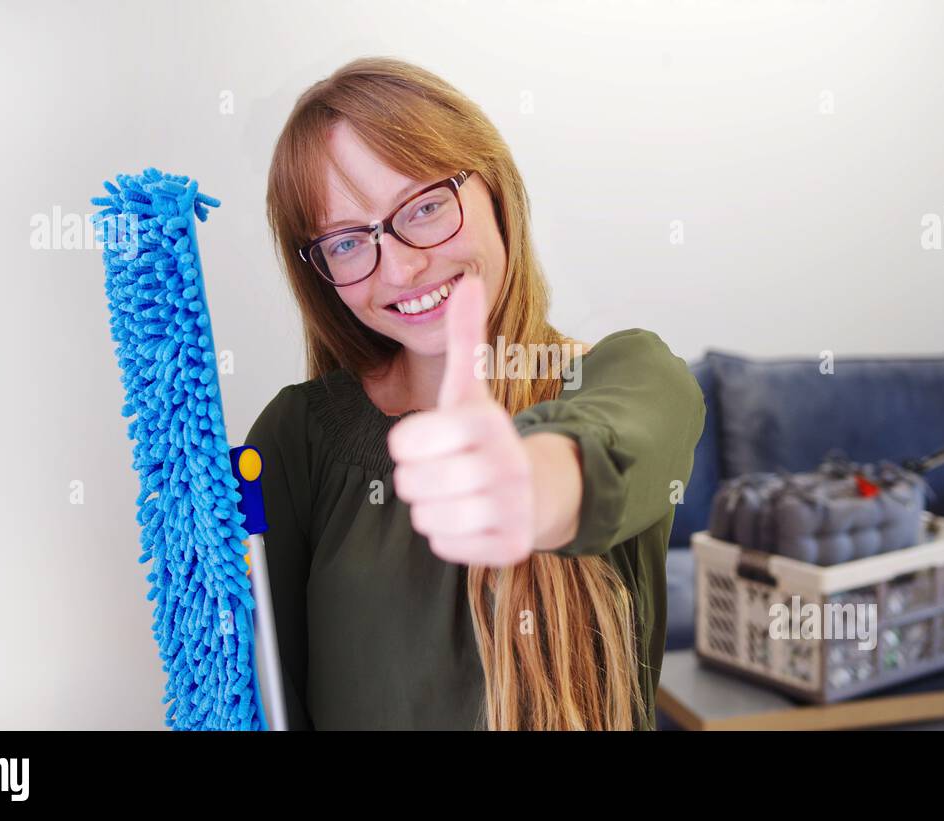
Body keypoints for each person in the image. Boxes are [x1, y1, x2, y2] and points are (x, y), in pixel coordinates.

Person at [248, 56, 705, 730]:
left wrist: (528, 483)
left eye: (426, 206)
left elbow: (604, 453)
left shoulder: (637, 374)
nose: (401, 266)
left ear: (494, 187)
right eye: (347, 242)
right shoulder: (295, 436)